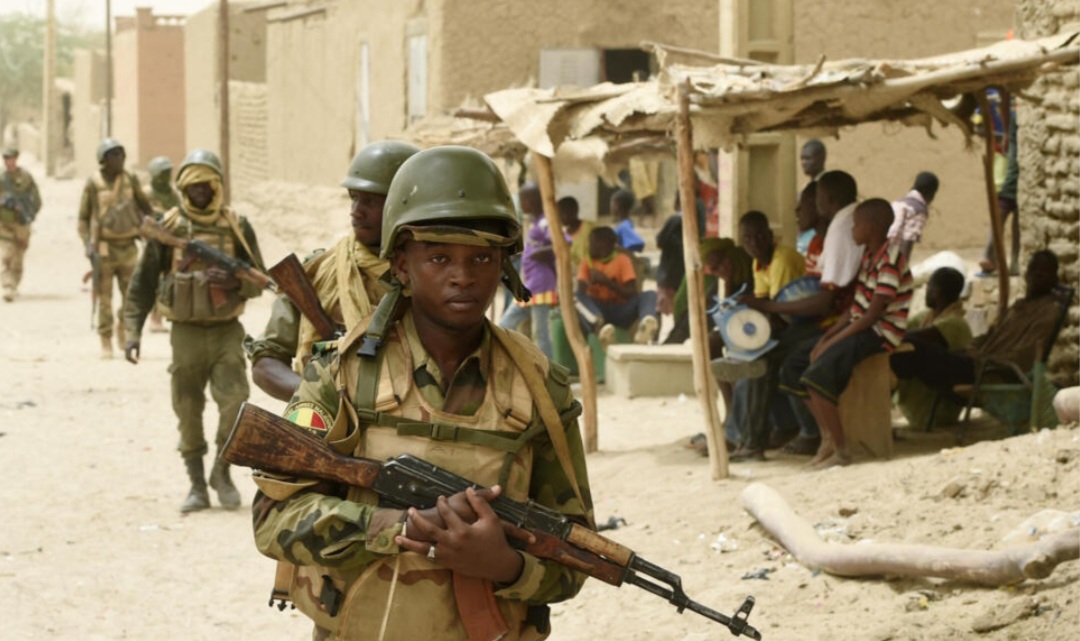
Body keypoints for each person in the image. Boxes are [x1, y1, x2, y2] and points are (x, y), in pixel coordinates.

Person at [250, 145, 594, 641]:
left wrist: (505, 565)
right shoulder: (343, 375)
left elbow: (576, 552)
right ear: (402, 266)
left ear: (503, 265)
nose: (464, 275)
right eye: (439, 257)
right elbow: (273, 518)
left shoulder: (541, 389)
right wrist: (397, 528)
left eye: (482, 256)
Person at [122, 149, 265, 513]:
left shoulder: (236, 225)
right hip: (184, 335)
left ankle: (222, 471)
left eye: (206, 184)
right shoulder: (169, 227)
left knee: (235, 404)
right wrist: (132, 332)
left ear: (216, 185)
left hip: (225, 331)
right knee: (187, 409)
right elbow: (142, 284)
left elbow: (258, 278)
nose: (199, 191)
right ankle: (197, 485)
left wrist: (233, 283)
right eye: (192, 185)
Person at [247, 141, 419, 401]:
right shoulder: (319, 272)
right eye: (354, 197)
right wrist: (321, 397)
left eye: (370, 201)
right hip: (328, 426)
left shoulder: (435, 274)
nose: (355, 211)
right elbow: (265, 363)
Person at [780, 198, 912, 468]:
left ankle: (842, 451)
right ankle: (828, 437)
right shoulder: (868, 256)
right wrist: (827, 338)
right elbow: (855, 308)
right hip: (861, 327)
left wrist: (831, 344)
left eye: (856, 225)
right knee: (793, 366)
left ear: (873, 227)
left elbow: (872, 316)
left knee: (816, 377)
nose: (852, 230)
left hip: (879, 334)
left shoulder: (891, 259)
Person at [743, 173, 865, 455]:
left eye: (807, 202)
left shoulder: (839, 230)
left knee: (772, 356)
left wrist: (770, 307)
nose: (796, 211)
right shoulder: (834, 230)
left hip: (835, 321)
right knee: (768, 349)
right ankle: (767, 432)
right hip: (834, 318)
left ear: (826, 201)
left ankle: (789, 435)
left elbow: (824, 302)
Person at [891, 250, 1061, 395]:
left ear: (1054, 278)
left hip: (991, 372)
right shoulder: (1019, 307)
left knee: (911, 349)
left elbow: (1025, 355)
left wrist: (984, 359)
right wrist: (969, 350)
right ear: (1026, 273)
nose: (1037, 274)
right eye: (1033, 268)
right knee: (908, 351)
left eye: (1044, 271)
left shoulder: (1047, 313)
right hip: (977, 362)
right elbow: (989, 336)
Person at [723, 211, 807, 460]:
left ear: (771, 236)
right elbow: (764, 306)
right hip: (786, 324)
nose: (754, 242)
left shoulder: (782, 260)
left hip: (803, 325)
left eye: (760, 235)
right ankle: (737, 434)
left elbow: (778, 312)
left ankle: (751, 441)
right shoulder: (758, 262)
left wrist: (754, 310)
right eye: (747, 238)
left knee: (758, 362)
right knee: (742, 356)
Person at [78, 138, 154, 358]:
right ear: (104, 160)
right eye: (114, 156)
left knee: (131, 295)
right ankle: (105, 339)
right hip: (104, 248)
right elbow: (83, 218)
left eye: (121, 155)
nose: (119, 160)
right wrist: (87, 243)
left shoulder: (130, 180)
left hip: (129, 246)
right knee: (104, 298)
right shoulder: (94, 184)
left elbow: (145, 208)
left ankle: (124, 330)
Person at [892, 267, 972, 429]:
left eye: (929, 287)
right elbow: (899, 330)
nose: (926, 291)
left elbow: (910, 337)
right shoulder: (926, 317)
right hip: (919, 407)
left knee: (904, 352)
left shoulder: (955, 323)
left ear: (937, 292)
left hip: (939, 409)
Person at [499, 182, 559, 359]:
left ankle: (550, 371)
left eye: (523, 200)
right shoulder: (534, 222)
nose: (521, 204)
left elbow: (562, 243)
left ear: (531, 201)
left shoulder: (545, 222)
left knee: (541, 333)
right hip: (530, 284)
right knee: (506, 323)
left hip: (540, 284)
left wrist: (543, 252)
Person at [575, 226, 659, 345]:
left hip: (620, 311)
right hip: (598, 311)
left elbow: (632, 293)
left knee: (650, 295)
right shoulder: (587, 261)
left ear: (605, 244)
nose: (589, 246)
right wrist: (588, 281)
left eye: (592, 242)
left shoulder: (622, 260)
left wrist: (607, 282)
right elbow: (581, 293)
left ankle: (645, 326)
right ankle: (600, 328)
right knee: (576, 296)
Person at [143, 155, 181, 333]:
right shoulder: (147, 193)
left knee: (167, 278)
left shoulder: (172, 194)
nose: (166, 177)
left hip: (170, 241)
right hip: (150, 242)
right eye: (162, 173)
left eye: (168, 173)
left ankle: (159, 316)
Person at [979, 117, 1020, 276]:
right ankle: (992, 253)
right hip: (1003, 163)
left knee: (1015, 204)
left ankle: (993, 254)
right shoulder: (1012, 111)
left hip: (1003, 162)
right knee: (1011, 198)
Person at [0, 146, 42, 302]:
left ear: (15, 159)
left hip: (22, 223)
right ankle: (7, 285)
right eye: (6, 159)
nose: (8, 162)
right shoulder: (1, 178)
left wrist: (30, 214)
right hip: (4, 223)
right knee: (6, 254)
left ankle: (15, 283)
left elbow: (36, 198)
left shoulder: (26, 177)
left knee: (18, 256)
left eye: (11, 158)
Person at [888, 172, 940, 260]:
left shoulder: (897, 203)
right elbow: (907, 241)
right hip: (891, 256)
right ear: (931, 194)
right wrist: (903, 269)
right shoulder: (918, 210)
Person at [558, 195, 594, 276]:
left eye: (565, 213)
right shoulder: (563, 236)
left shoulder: (590, 227)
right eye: (559, 214)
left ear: (575, 211)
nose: (562, 217)